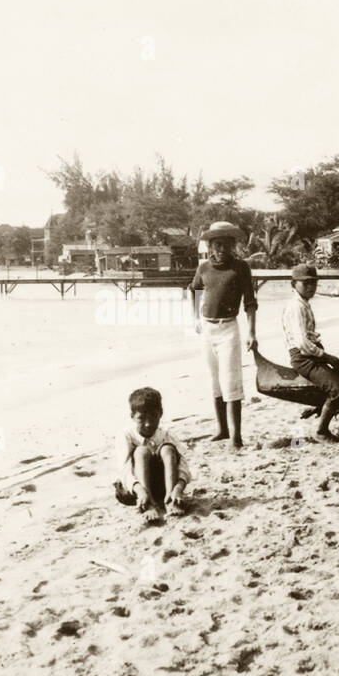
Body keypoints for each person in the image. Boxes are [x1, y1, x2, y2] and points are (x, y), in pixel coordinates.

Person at [189, 221, 257, 450]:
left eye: (226, 245)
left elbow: (250, 302)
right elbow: (195, 290)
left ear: (232, 245)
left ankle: (236, 438)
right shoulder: (203, 268)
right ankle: (222, 430)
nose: (221, 250)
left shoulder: (241, 268)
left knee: (231, 383)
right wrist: (195, 317)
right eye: (217, 245)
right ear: (210, 246)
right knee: (214, 382)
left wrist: (252, 332)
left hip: (229, 330)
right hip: (207, 329)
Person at [281, 264, 339, 441]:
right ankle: (321, 432)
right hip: (302, 358)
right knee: (336, 388)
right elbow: (302, 343)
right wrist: (326, 356)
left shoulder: (303, 304)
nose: (311, 287)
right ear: (293, 284)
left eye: (313, 283)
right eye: (306, 283)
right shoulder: (297, 307)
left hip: (308, 355)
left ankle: (319, 407)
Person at [112, 387, 191, 523]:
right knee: (141, 451)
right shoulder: (127, 435)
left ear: (161, 413)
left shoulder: (165, 434)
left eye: (153, 416)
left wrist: (178, 488)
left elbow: (183, 467)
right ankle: (148, 504)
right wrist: (141, 491)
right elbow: (124, 471)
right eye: (141, 419)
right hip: (136, 489)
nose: (148, 424)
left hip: (164, 486)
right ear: (132, 417)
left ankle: (170, 500)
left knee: (167, 449)